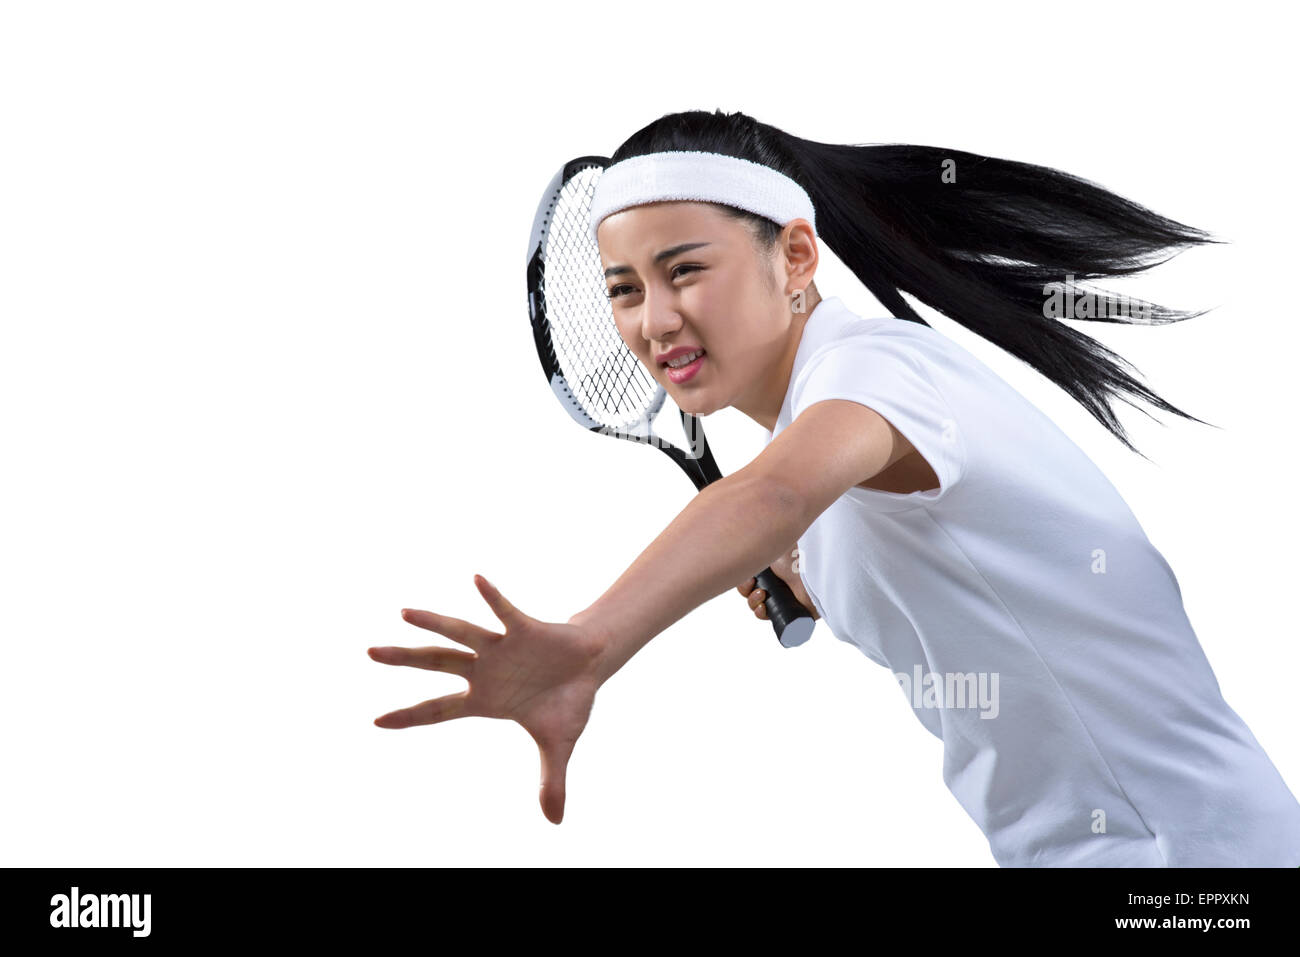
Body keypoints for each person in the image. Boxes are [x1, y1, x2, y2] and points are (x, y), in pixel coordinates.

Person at [368, 110, 1300, 867]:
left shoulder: (875, 369)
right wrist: (818, 568)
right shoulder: (832, 435)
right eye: (623, 289)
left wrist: (591, 647)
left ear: (797, 256)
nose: (655, 319)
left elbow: (767, 496)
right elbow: (842, 527)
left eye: (684, 268)